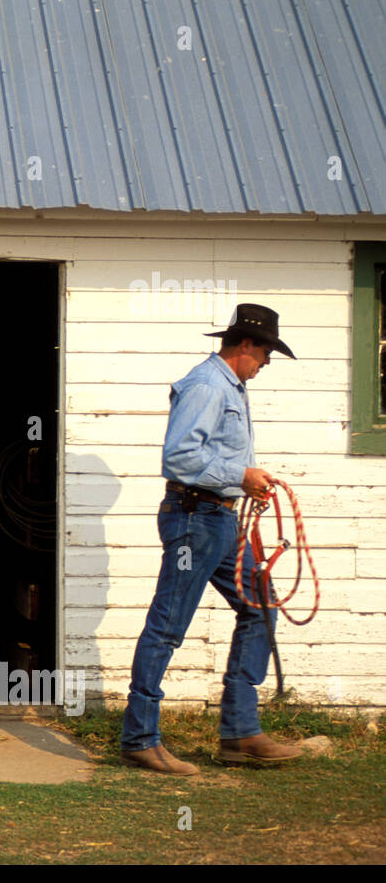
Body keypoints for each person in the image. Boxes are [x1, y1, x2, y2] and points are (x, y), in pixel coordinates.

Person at [120, 303, 304, 774]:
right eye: (265, 354)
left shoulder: (231, 387)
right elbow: (179, 458)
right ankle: (140, 738)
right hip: (194, 518)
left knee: (260, 604)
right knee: (168, 625)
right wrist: (239, 475)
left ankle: (241, 733)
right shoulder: (206, 385)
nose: (266, 364)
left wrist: (244, 482)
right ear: (245, 345)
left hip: (217, 519)